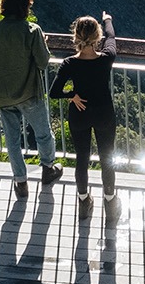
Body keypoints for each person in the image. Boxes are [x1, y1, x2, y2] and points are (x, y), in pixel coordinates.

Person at [0, 0, 60, 196]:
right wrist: (43, 44)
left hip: (1, 95)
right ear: (26, 6)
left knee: (12, 140)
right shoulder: (32, 31)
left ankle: (20, 182)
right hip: (27, 93)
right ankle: (48, 170)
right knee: (44, 134)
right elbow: (43, 62)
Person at [51, 12, 120, 213]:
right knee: (107, 157)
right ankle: (110, 200)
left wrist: (72, 95)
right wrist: (108, 20)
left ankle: (83, 200)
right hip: (104, 113)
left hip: (79, 113)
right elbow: (112, 38)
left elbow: (54, 92)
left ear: (76, 36)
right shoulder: (107, 58)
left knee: (82, 157)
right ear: (97, 36)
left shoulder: (69, 63)